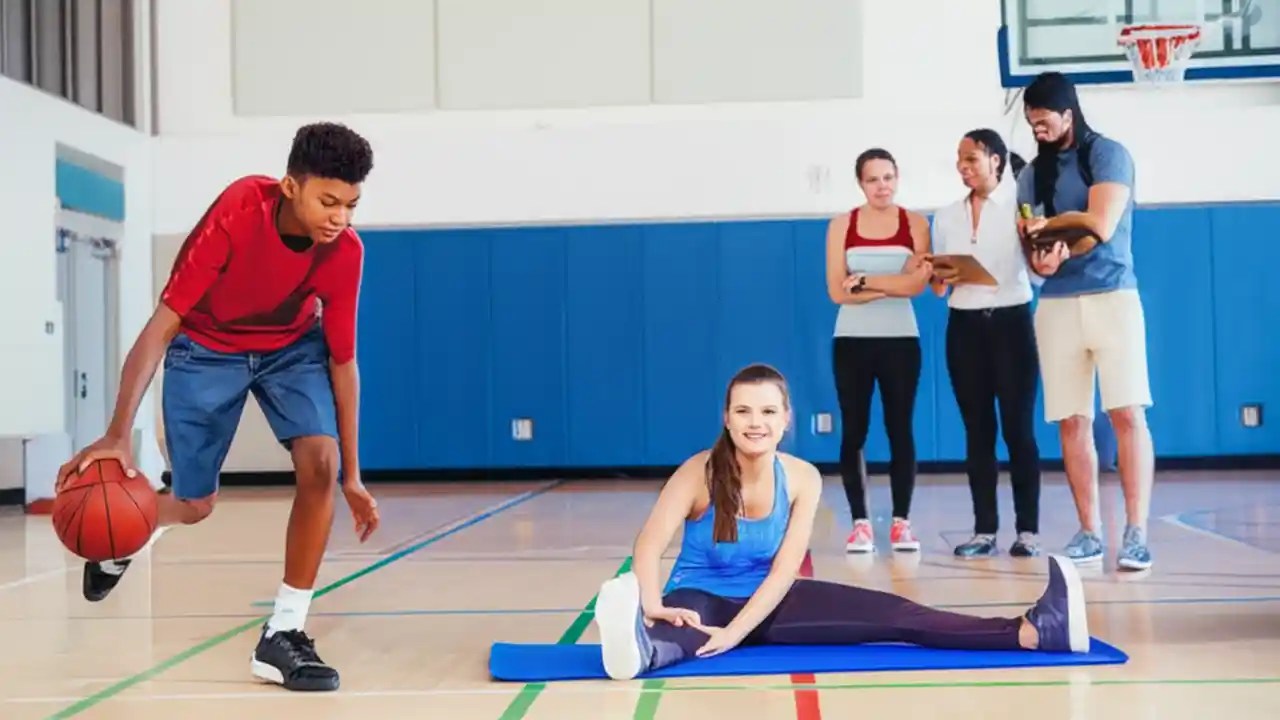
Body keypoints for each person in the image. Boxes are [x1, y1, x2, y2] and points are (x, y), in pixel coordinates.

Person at [54, 122, 381, 691]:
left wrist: (352, 475)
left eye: (351, 205)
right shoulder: (237, 210)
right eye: (328, 202)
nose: (340, 218)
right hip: (206, 347)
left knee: (320, 466)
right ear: (289, 187)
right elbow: (162, 327)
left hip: (289, 349)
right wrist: (115, 434)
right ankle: (120, 539)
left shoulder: (344, 252)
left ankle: (284, 632)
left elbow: (343, 364)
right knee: (196, 504)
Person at [592, 363, 1090, 681]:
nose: (754, 422)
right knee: (687, 626)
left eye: (767, 410)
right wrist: (654, 604)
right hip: (698, 593)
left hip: (770, 599)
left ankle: (1033, 631)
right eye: (742, 410)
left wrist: (737, 632)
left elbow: (785, 571)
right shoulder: (699, 470)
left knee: (897, 615)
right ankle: (642, 648)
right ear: (726, 417)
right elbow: (650, 540)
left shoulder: (803, 477)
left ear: (787, 419)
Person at [1015, 71, 1153, 570]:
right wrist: (1040, 262)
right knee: (1072, 420)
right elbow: (1030, 246)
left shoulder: (1108, 154)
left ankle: (1136, 532)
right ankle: (1089, 532)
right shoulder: (1030, 175)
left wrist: (1049, 230)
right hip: (1056, 304)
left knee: (1127, 413)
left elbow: (1100, 224)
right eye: (1030, 123)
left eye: (1044, 119)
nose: (1037, 128)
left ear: (1068, 113)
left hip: (1113, 296)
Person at [928, 129, 1042, 559]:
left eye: (972, 158)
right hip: (964, 326)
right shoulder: (945, 216)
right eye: (959, 159)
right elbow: (938, 287)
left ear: (996, 160)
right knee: (978, 432)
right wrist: (938, 272)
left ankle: (1027, 531)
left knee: (1018, 430)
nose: (963, 166)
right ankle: (984, 530)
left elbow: (1036, 271)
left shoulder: (1021, 206)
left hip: (1012, 323)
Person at [824, 148, 933, 554]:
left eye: (888, 177)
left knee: (899, 428)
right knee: (854, 431)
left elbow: (916, 287)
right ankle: (861, 524)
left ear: (897, 178)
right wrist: (893, 282)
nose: (882, 186)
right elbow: (837, 291)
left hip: (901, 341)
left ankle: (902, 523)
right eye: (873, 179)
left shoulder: (916, 224)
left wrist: (865, 281)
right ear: (861, 183)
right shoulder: (841, 225)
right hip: (851, 342)